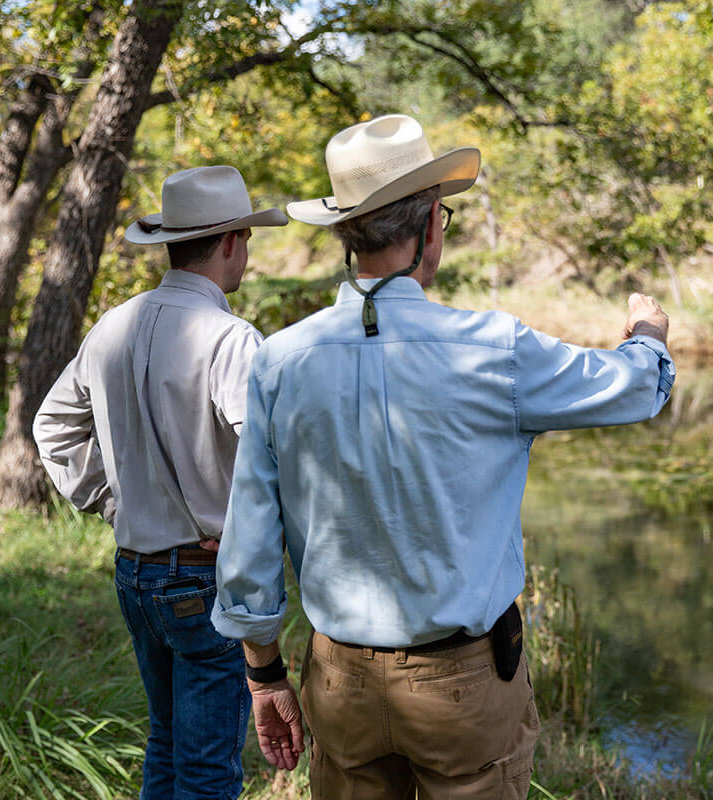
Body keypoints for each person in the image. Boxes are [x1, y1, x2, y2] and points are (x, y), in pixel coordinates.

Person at [212, 114, 675, 799]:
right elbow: (636, 389)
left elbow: (250, 538)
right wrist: (648, 334)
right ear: (431, 224)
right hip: (463, 686)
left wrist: (263, 674)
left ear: (347, 233)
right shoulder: (494, 351)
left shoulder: (280, 361)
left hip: (338, 680)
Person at [33, 165, 288, 800]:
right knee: (206, 772)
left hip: (134, 573)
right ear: (230, 241)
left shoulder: (111, 327)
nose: (247, 255)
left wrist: (114, 500)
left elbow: (52, 427)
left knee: (167, 745)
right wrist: (251, 534)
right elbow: (272, 453)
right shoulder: (229, 339)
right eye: (247, 240)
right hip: (201, 578)